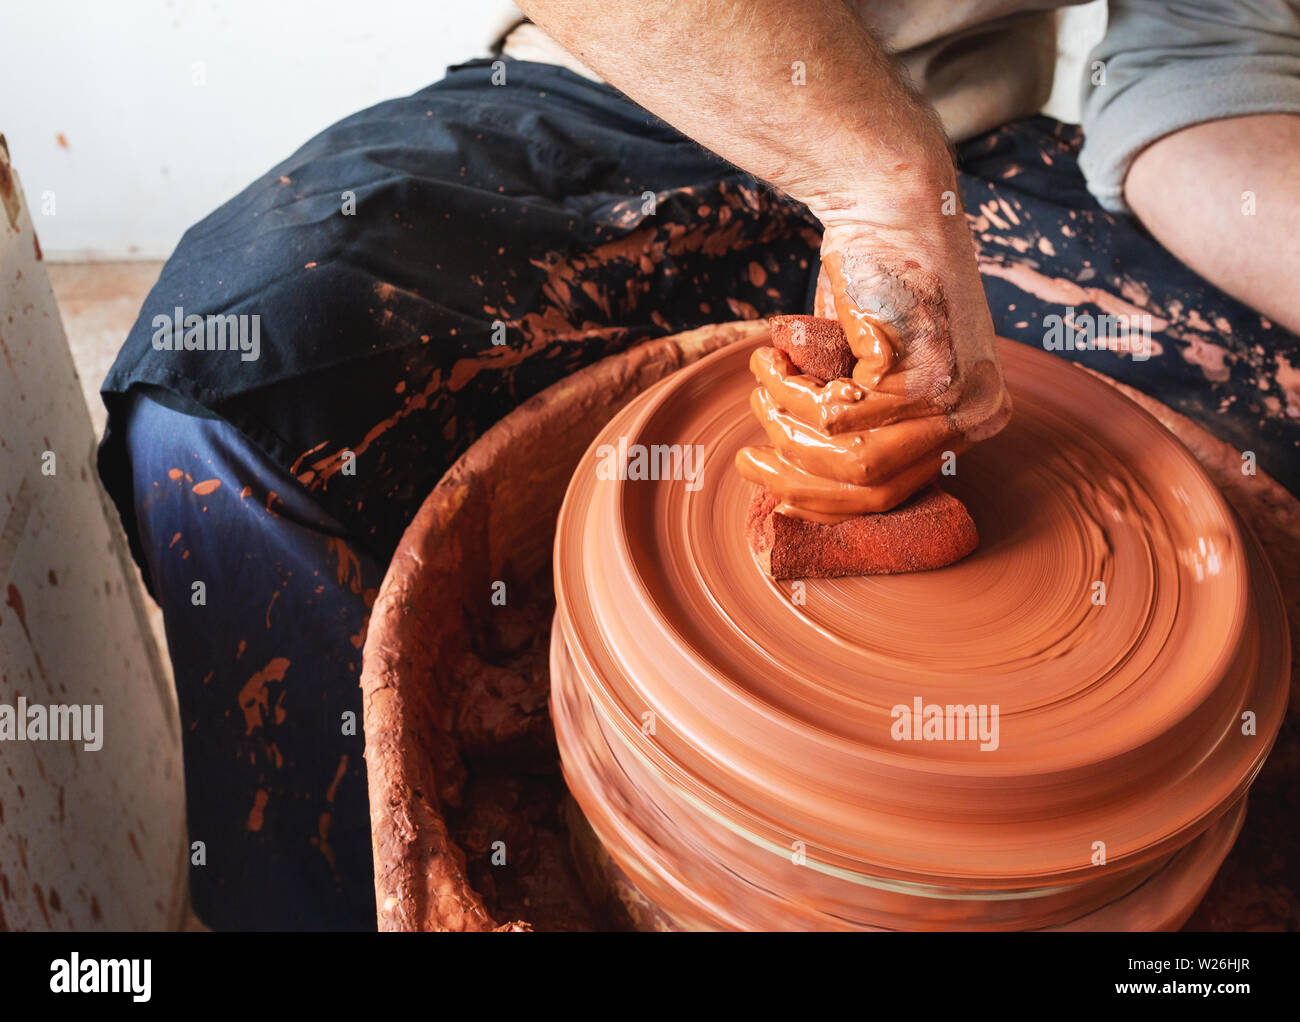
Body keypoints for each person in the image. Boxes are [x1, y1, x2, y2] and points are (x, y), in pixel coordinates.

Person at [99, 0, 1300, 930]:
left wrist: (903, 187)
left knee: (1270, 489)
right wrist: (868, 175)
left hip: (969, 161)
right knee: (232, 398)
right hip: (619, 92)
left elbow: (1203, 75)